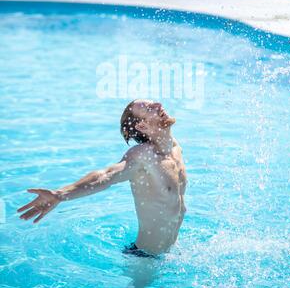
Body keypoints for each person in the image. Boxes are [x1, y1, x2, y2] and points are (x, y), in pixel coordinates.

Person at [17, 100, 187, 257]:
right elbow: (107, 175)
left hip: (171, 254)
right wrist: (60, 194)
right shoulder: (143, 155)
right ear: (142, 126)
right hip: (144, 258)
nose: (158, 104)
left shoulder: (174, 147)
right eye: (149, 108)